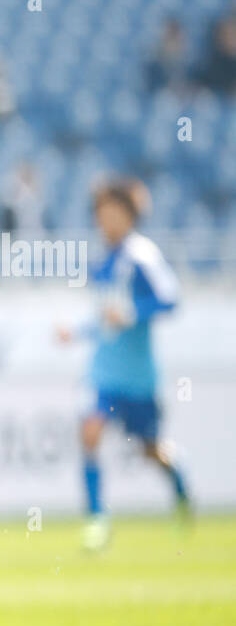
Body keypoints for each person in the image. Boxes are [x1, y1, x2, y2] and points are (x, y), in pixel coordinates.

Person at [57, 182, 190, 551]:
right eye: (102, 214)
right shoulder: (104, 262)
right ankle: (97, 521)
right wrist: (76, 331)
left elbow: (170, 300)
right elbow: (105, 318)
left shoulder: (142, 256)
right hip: (103, 373)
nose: (107, 221)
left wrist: (133, 313)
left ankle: (180, 483)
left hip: (138, 379)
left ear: (130, 216)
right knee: (90, 432)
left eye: (114, 213)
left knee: (152, 451)